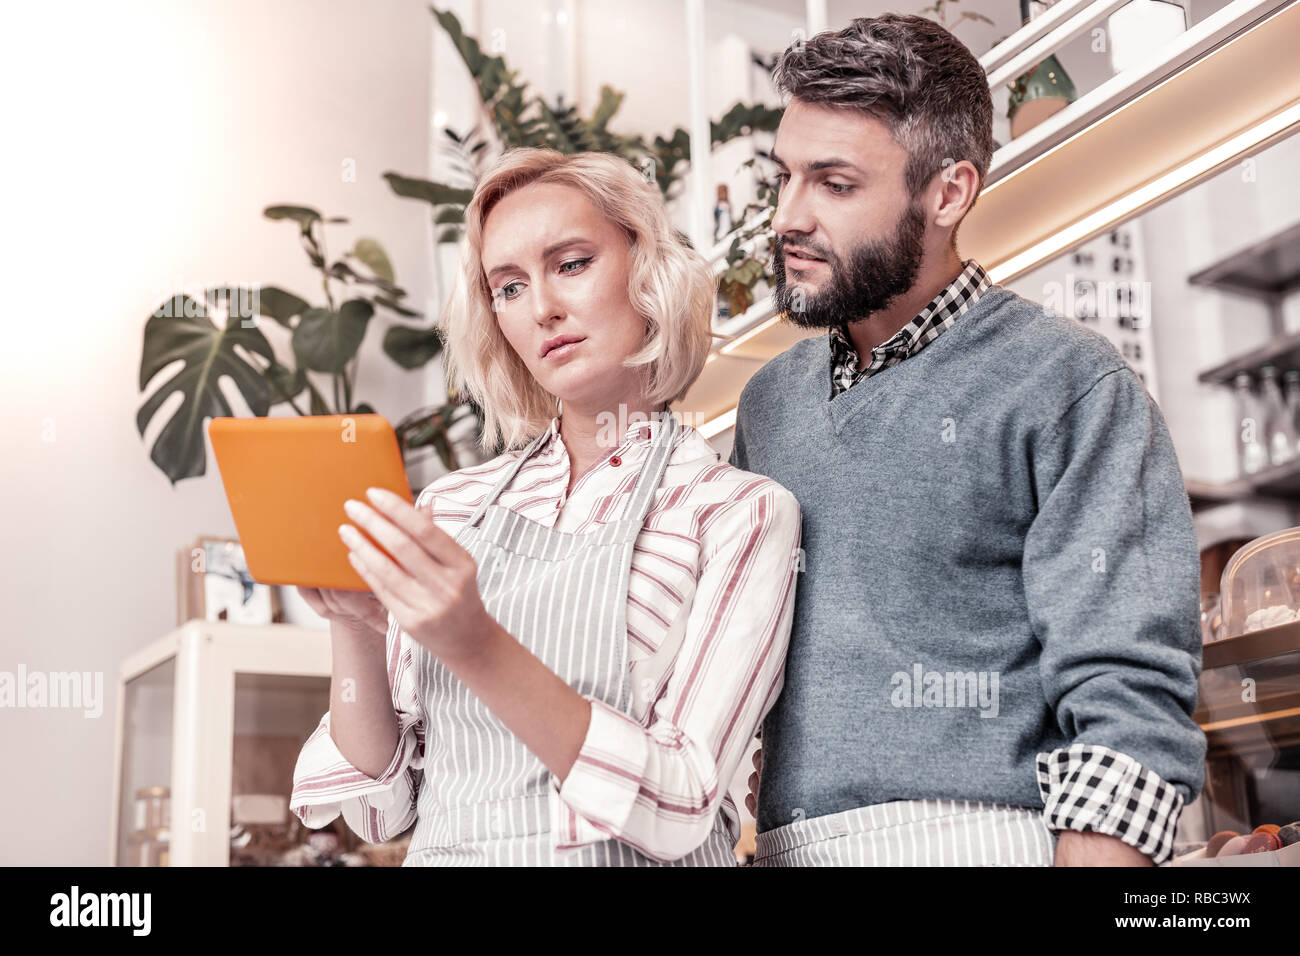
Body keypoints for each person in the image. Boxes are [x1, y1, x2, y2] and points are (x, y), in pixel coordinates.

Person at [734, 14, 1205, 867]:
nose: (789, 218)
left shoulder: (1069, 383)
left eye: (835, 185)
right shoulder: (769, 406)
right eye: (787, 178)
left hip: (986, 841)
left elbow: (1126, 694)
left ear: (948, 193)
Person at [288, 147, 802, 866]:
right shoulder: (450, 507)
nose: (543, 309)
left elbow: (681, 803)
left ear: (645, 267)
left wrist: (474, 641)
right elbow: (380, 813)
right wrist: (357, 629)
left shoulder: (733, 512)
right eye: (509, 287)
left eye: (571, 263)